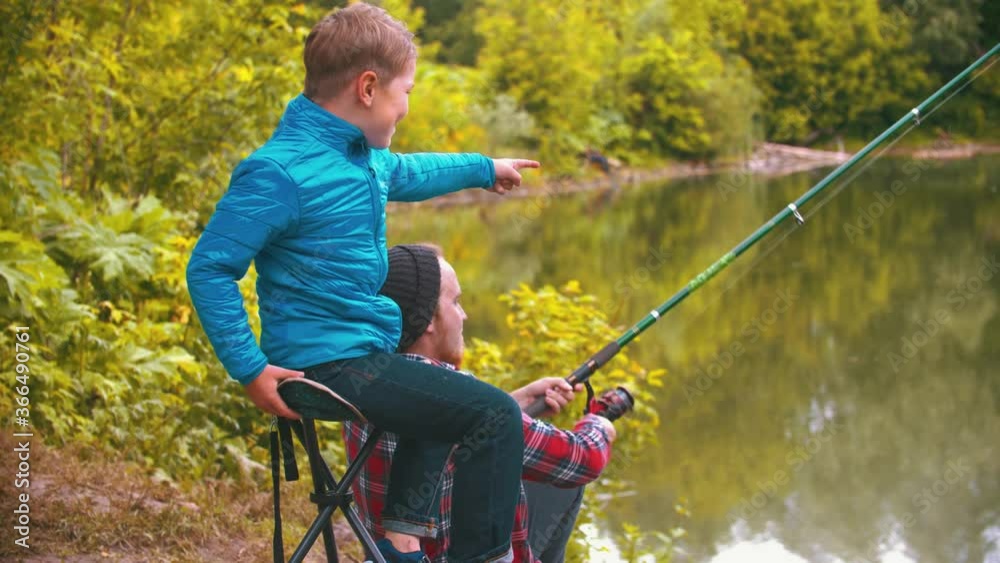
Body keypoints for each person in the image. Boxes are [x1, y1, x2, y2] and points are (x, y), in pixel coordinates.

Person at [185, 4, 540, 562]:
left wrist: (484, 166)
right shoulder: (281, 171)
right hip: (323, 366)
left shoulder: (364, 159)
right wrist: (249, 369)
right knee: (492, 415)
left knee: (443, 387)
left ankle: (401, 541)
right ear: (368, 88)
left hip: (358, 354)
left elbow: (412, 172)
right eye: (408, 92)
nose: (407, 107)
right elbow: (210, 268)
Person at [343, 244, 635, 562]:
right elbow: (581, 459)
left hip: (385, 552)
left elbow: (455, 434)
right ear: (427, 319)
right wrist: (599, 423)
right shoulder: (457, 397)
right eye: (455, 302)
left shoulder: (363, 380)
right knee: (564, 484)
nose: (464, 314)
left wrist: (517, 400)